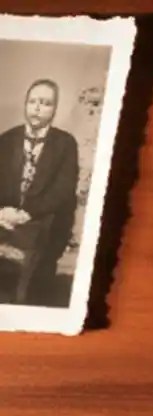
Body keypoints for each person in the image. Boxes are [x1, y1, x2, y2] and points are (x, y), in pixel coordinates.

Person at [0, 79, 79, 306]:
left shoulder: (65, 143)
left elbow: (62, 191)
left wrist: (27, 214)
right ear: (25, 105)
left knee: (36, 283)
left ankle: (29, 300)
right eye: (33, 101)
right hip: (6, 217)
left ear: (54, 110)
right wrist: (3, 212)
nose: (37, 107)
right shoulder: (6, 140)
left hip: (45, 221)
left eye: (45, 103)